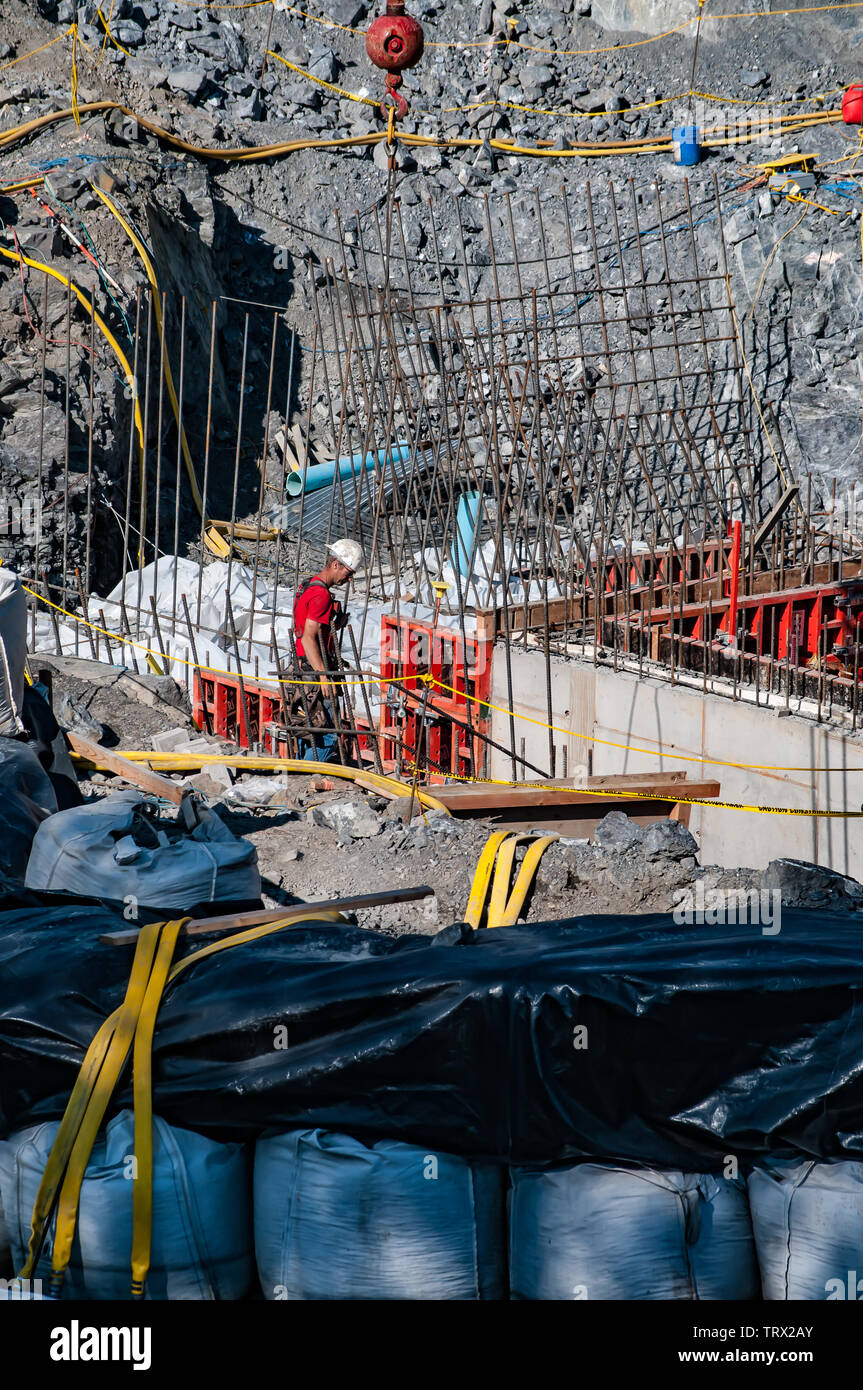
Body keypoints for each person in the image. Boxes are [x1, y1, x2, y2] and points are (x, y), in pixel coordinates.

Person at [291, 538, 364, 762]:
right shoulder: (321, 595)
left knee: (308, 727)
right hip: (313, 669)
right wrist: (323, 675)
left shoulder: (309, 585)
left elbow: (308, 627)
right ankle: (309, 774)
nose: (349, 579)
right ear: (335, 565)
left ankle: (302, 770)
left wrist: (334, 623)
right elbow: (308, 638)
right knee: (327, 733)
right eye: (348, 573)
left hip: (303, 666)